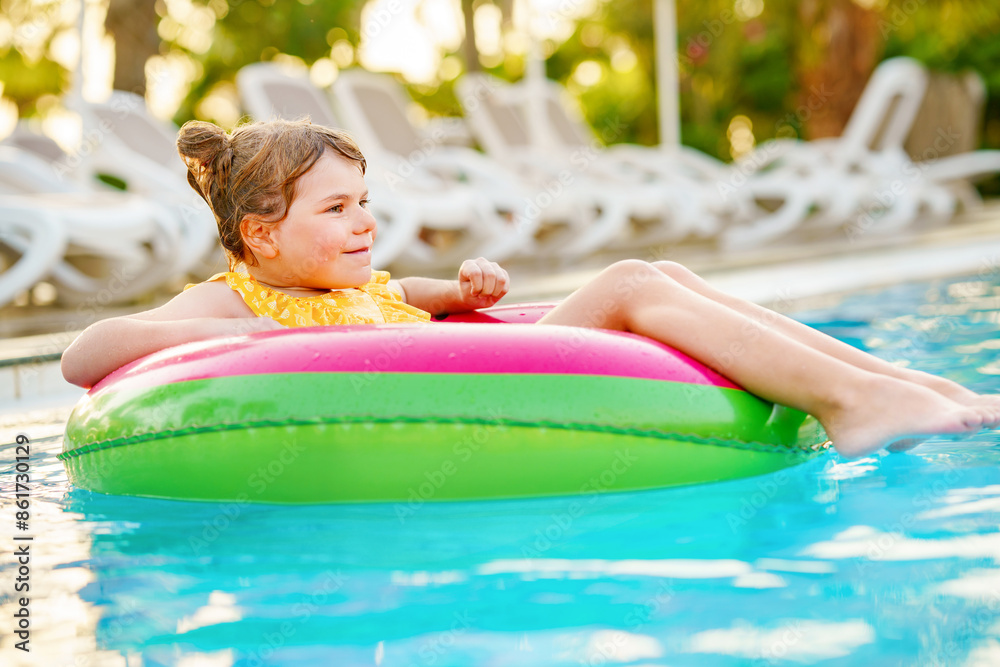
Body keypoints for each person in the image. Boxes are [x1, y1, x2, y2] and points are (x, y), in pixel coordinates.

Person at [61, 119, 1000, 459]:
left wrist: (468, 286)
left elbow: (430, 304)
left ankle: (897, 387)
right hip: (471, 398)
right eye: (338, 208)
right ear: (262, 232)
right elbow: (82, 354)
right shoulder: (235, 301)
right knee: (632, 278)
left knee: (663, 274)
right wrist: (253, 345)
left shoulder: (367, 287)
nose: (364, 224)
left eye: (365, 202)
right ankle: (851, 401)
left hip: (478, 365)